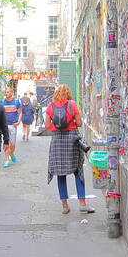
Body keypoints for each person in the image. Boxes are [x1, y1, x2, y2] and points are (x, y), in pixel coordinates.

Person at [44, 84, 93, 214]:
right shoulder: (72, 104)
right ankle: (82, 204)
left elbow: (47, 125)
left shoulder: (50, 106)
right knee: (77, 170)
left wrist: (57, 128)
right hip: (71, 139)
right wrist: (71, 124)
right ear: (68, 93)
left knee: (60, 172)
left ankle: (65, 205)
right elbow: (79, 123)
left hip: (57, 140)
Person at [2, 90, 21, 164]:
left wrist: (18, 121)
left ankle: (11, 154)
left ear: (12, 93)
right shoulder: (2, 102)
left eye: (8, 92)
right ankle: (6, 160)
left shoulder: (16, 102)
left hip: (13, 125)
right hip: (5, 125)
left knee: (12, 144)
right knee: (6, 143)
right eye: (6, 92)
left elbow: (20, 112)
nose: (6, 93)